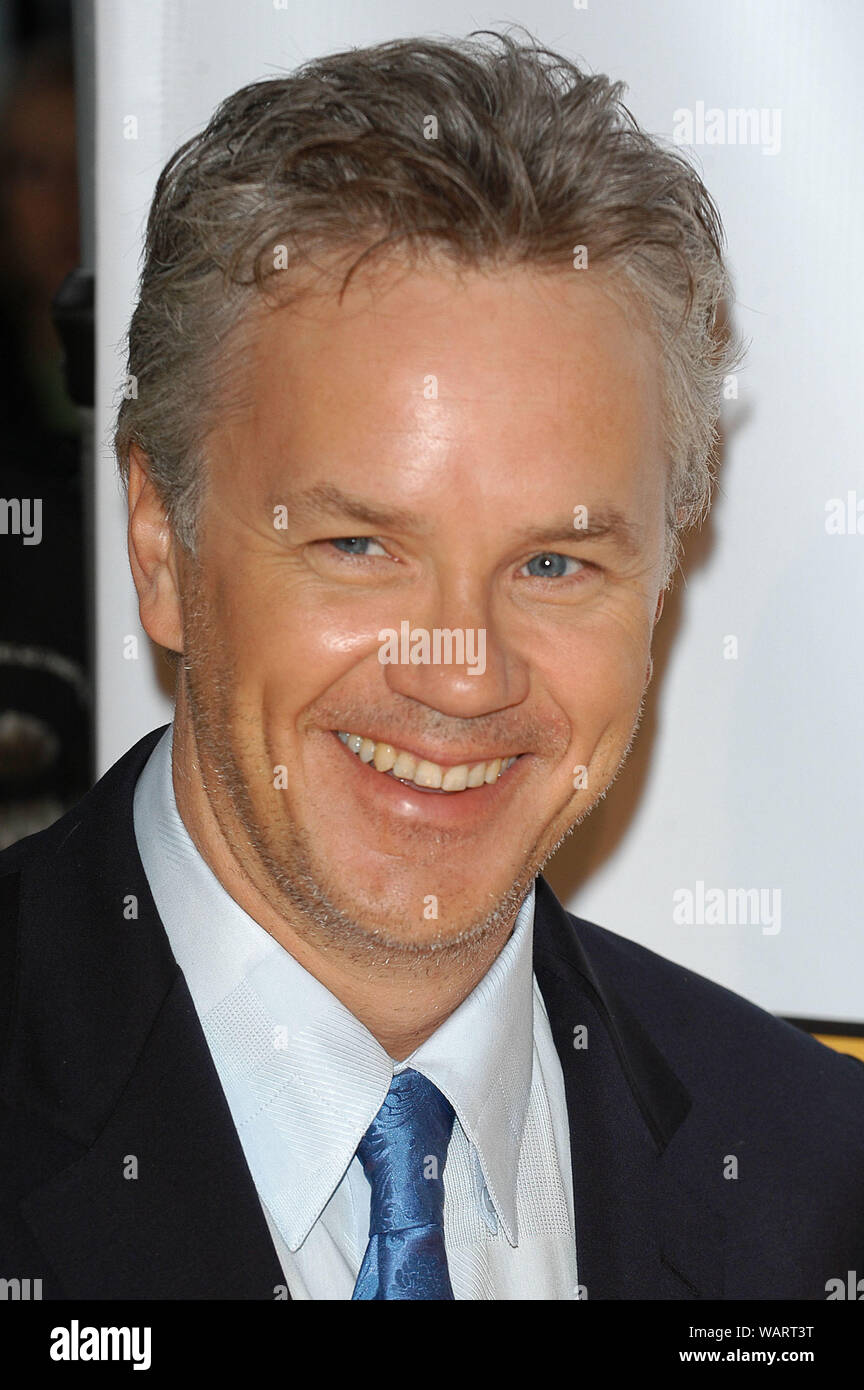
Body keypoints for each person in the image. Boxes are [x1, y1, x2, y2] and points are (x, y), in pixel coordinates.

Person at [1, 31, 861, 1301]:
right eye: (360, 545)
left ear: (667, 578)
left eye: (555, 565)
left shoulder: (816, 1176)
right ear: (160, 544)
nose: (462, 675)